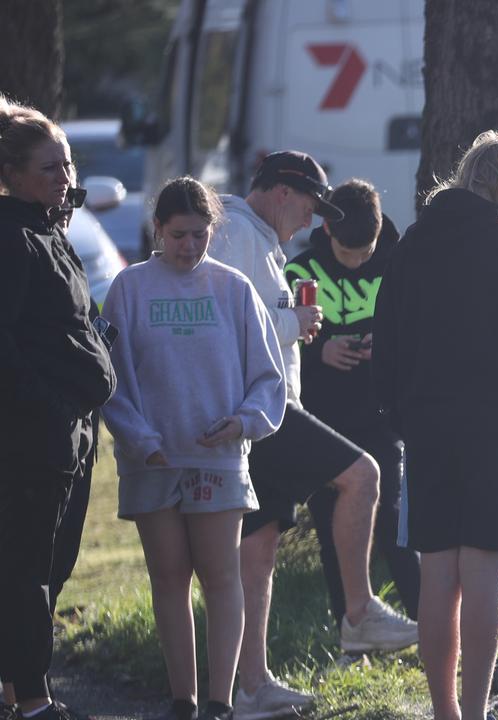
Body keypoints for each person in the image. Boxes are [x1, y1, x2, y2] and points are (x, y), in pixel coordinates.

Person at [206, 151, 417, 720]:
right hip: (260, 406)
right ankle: (358, 615)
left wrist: (292, 328)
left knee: (259, 554)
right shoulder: (235, 235)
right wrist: (291, 325)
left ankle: (250, 687)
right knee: (363, 476)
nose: (311, 222)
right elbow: (219, 319)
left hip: (267, 406)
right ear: (280, 192)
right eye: (308, 207)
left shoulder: (260, 240)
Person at [374, 129, 498, 720]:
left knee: (438, 573)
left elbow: (388, 336)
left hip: (429, 425)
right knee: (485, 573)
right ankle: (477, 710)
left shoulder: (413, 243)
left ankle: (444, 712)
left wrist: (397, 413)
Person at [102, 177, 288, 720]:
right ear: (157, 229)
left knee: (221, 575)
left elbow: (267, 378)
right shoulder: (129, 288)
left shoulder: (233, 289)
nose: (189, 246)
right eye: (178, 235)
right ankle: (182, 698)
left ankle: (219, 701)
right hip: (152, 459)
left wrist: (243, 422)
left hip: (218, 457)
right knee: (169, 575)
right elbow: (110, 378)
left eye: (200, 235)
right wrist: (140, 438)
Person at [0, 94, 117, 720]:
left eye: (68, 166)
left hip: (71, 435)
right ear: (11, 173)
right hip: (31, 440)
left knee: (53, 565)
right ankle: (34, 700)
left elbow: (69, 325)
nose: (66, 179)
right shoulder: (10, 236)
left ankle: (17, 689)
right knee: (27, 570)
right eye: (50, 169)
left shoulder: (49, 231)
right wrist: (48, 409)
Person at [283, 179, 420, 624]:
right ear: (326, 231)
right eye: (348, 255)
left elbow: (422, 331)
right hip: (324, 418)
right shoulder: (299, 272)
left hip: (382, 417)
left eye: (367, 252)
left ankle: (424, 625)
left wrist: (388, 344)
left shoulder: (398, 264)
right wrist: (319, 351)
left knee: (396, 523)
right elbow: (275, 339)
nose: (359, 263)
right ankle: (350, 632)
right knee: (329, 527)